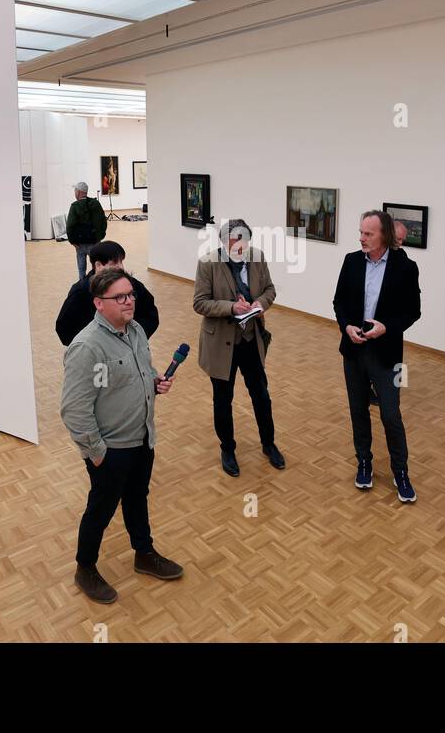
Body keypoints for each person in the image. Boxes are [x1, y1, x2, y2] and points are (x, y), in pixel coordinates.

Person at [61, 268, 183, 604]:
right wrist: (97, 452)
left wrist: (156, 382)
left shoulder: (137, 330)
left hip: (143, 438)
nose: (129, 301)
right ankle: (85, 568)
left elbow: (138, 371)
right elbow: (74, 409)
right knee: (101, 509)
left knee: (137, 497)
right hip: (111, 449)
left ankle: (144, 554)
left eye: (130, 294)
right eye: (120, 297)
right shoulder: (86, 347)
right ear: (99, 303)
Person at [333, 210, 421, 502]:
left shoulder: (406, 268)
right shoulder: (351, 261)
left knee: (391, 414)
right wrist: (346, 326)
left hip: (387, 354)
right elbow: (340, 301)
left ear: (383, 234)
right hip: (354, 351)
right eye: (360, 232)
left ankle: (401, 472)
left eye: (368, 234)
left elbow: (413, 311)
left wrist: (387, 328)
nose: (361, 238)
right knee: (358, 410)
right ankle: (364, 462)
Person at [193, 219, 284, 477]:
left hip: (250, 340)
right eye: (234, 241)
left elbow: (270, 289)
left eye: (244, 240)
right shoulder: (208, 263)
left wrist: (259, 304)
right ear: (223, 242)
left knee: (261, 396)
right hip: (221, 344)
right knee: (223, 400)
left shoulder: (258, 258)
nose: (240, 246)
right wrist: (231, 307)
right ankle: (228, 449)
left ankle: (269, 444)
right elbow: (200, 303)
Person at [55, 240, 159, 345]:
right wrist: (93, 347)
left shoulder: (132, 285)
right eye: (114, 263)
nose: (121, 267)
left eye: (121, 262)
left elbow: (150, 314)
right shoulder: (80, 292)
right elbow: (64, 329)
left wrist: (135, 339)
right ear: (98, 266)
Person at [66, 182, 107, 282]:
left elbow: (69, 226)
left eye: (75, 190)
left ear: (79, 192)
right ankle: (98, 287)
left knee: (81, 269)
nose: (74, 193)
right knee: (97, 267)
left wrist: (72, 242)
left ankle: (82, 286)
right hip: (95, 243)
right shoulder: (95, 204)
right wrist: (99, 238)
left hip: (80, 245)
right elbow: (103, 222)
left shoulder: (75, 206)